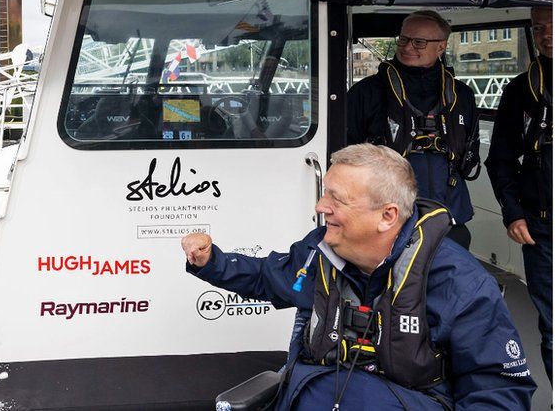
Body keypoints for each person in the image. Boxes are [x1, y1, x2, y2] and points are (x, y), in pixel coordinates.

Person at [182, 144, 534, 410]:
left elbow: (498, 390)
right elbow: (264, 276)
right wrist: (212, 260)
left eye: (337, 199)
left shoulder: (460, 283)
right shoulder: (318, 253)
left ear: (387, 216)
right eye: (324, 195)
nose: (321, 207)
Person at [346, 10, 480, 249]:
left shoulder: (463, 95)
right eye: (404, 39)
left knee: (451, 279)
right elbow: (345, 150)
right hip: (386, 212)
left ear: (441, 47)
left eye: (419, 42)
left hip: (450, 209)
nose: (408, 47)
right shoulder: (366, 93)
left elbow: (470, 146)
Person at [486, 5, 553, 383]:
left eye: (553, 26)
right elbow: (501, 159)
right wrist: (513, 212)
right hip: (543, 229)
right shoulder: (521, 90)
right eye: (539, 27)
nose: (545, 34)